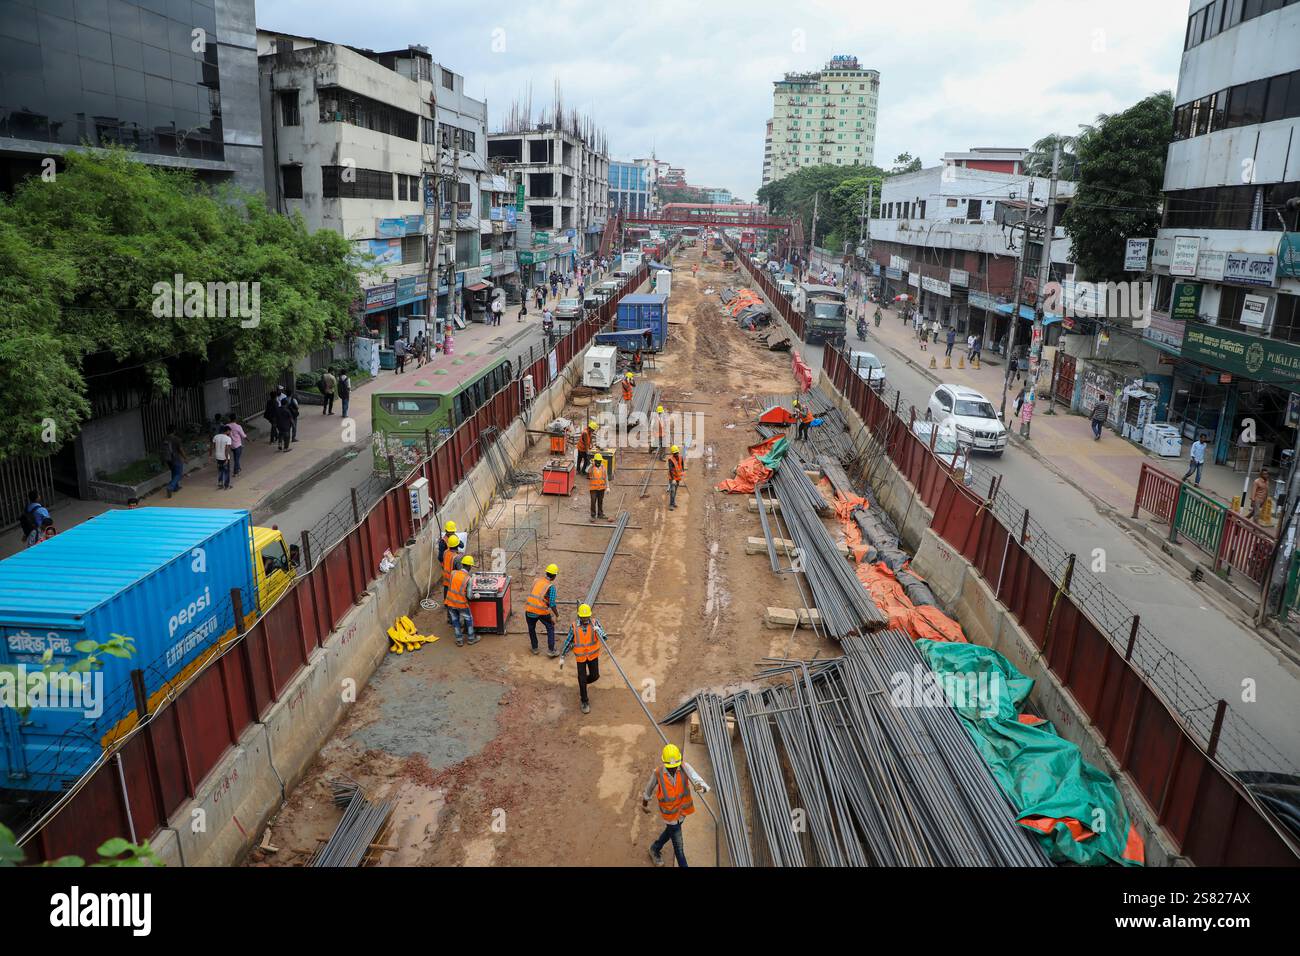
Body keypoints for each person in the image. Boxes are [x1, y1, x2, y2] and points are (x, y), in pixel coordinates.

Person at [641, 744, 710, 868]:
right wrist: (644, 803)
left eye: (675, 766)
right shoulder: (658, 773)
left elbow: (697, 778)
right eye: (670, 767)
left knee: (670, 833)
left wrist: (701, 787)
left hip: (682, 813)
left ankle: (655, 848)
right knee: (679, 848)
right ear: (664, 762)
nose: (673, 769)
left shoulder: (684, 767)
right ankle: (657, 850)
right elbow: (649, 788)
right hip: (670, 817)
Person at [558, 603, 604, 714]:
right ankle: (584, 701)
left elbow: (604, 636)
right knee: (582, 678)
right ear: (579, 616)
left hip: (592, 656)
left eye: (587, 617)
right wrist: (563, 656)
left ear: (589, 616)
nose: (585, 619)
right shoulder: (574, 626)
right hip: (581, 658)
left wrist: (599, 631)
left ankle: (582, 683)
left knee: (595, 676)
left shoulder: (594, 623)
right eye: (583, 617)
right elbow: (569, 641)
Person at [524, 563, 561, 657]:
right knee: (550, 627)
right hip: (541, 611)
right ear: (554, 576)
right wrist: (557, 615)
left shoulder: (536, 580)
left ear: (546, 573)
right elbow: (552, 604)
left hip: (529, 609)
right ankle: (551, 650)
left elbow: (534, 594)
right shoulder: (551, 587)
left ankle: (535, 648)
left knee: (531, 628)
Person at [444, 554, 479, 647]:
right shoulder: (468, 579)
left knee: (455, 621)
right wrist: (476, 596)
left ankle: (459, 640)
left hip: (450, 602)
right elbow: (469, 596)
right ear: (470, 566)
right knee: (468, 619)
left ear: (462, 564)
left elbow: (452, 585)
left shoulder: (453, 573)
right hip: (461, 604)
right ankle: (471, 638)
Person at [164, 428, 186, 498]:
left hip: (167, 459)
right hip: (175, 458)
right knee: (179, 474)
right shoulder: (176, 439)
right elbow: (180, 449)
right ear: (174, 431)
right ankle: (170, 486)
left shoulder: (164, 438)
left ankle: (175, 487)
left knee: (173, 472)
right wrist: (185, 457)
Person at [210, 424, 233, 490]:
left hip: (218, 456)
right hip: (224, 457)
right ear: (227, 431)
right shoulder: (228, 438)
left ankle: (220, 484)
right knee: (226, 471)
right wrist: (226, 459)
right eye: (229, 431)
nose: (230, 432)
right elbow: (227, 449)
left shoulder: (215, 437)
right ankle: (226, 485)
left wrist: (211, 455)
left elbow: (213, 446)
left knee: (220, 470)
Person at [440, 534, 462, 601]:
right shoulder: (457, 557)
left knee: (446, 587)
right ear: (457, 545)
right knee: (454, 590)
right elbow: (460, 569)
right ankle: (451, 602)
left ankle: (446, 602)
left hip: (445, 575)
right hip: (452, 577)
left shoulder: (445, 552)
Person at [589, 453, 609, 520]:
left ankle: (600, 514)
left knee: (600, 501)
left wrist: (608, 487)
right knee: (593, 501)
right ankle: (593, 515)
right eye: (597, 461)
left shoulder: (603, 467)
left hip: (601, 488)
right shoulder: (592, 468)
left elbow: (606, 478)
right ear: (595, 461)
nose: (599, 462)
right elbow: (586, 471)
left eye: (600, 460)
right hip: (593, 489)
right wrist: (591, 465)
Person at [667, 444, 685, 510]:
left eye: (676, 453)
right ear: (672, 453)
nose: (676, 454)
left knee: (675, 491)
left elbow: (682, 464)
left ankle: (673, 502)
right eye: (674, 453)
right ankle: (671, 505)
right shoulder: (670, 460)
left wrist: (682, 471)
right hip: (672, 478)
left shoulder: (680, 457)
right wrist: (673, 479)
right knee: (672, 490)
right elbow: (670, 470)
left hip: (678, 477)